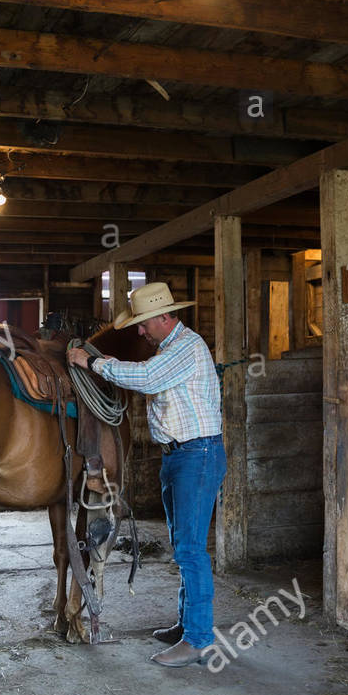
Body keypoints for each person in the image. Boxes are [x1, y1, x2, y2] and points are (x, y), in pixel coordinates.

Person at [68, 282, 226, 667]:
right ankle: (188, 625)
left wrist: (92, 363)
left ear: (163, 318)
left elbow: (148, 378)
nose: (139, 331)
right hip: (181, 455)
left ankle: (200, 639)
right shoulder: (173, 348)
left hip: (195, 454)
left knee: (190, 550)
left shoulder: (186, 347)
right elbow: (148, 373)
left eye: (142, 324)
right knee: (182, 544)